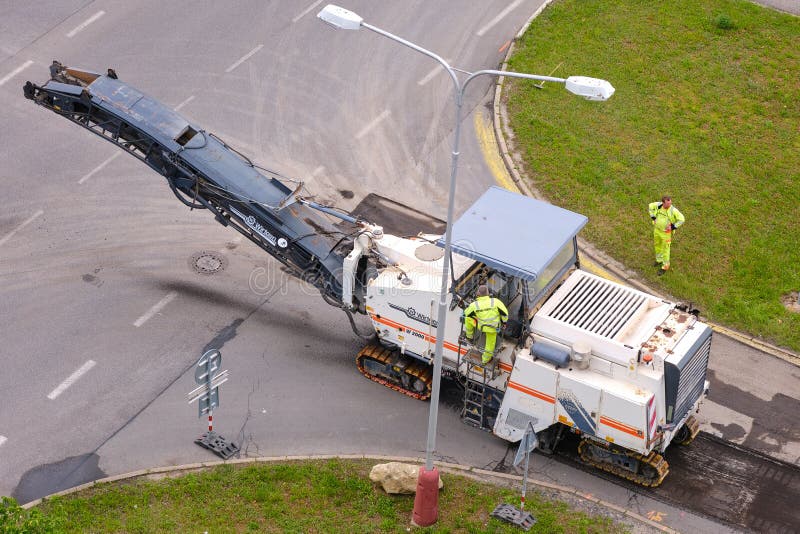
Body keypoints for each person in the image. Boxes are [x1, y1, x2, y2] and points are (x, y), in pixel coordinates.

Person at [463, 285, 508, 364]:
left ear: (478, 294)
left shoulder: (474, 305)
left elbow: (466, 313)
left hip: (482, 327)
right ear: (488, 293)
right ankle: (485, 360)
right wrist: (504, 322)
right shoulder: (496, 301)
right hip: (493, 328)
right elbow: (505, 314)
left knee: (467, 319)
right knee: (490, 344)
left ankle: (469, 337)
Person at [648, 195, 685, 276]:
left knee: (665, 249)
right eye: (668, 204)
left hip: (666, 233)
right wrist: (653, 217)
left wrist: (673, 226)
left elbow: (682, 219)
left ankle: (665, 266)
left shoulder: (673, 210)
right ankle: (659, 260)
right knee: (657, 245)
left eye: (670, 203)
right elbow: (650, 206)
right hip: (657, 230)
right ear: (663, 203)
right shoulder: (658, 205)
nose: (669, 205)